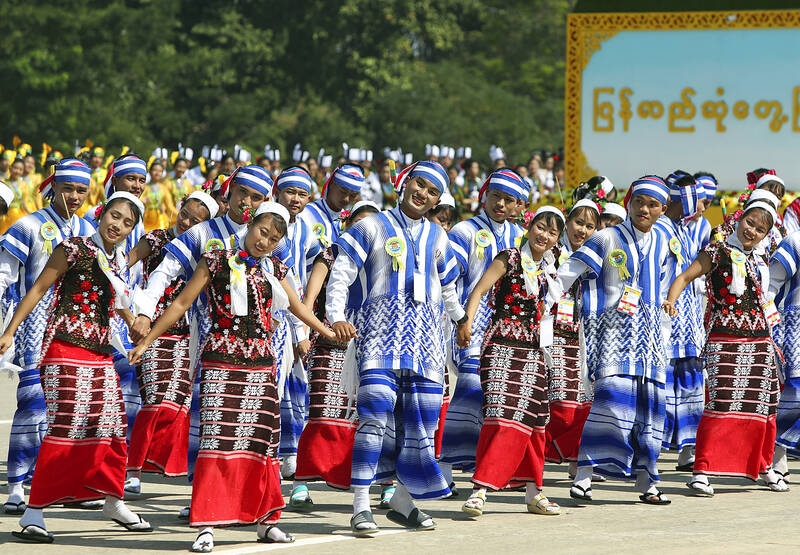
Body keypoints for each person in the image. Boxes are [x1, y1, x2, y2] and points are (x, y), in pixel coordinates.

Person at [128, 202, 336, 552]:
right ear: (249, 225)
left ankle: (267, 520)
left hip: (262, 365)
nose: (264, 241)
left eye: (273, 239)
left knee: (263, 443)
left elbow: (298, 307)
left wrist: (326, 332)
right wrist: (147, 340)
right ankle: (207, 525)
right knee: (216, 442)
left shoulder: (277, 268)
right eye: (262, 232)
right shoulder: (215, 260)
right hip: (220, 363)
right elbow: (180, 304)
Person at [0, 192, 152, 543]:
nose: (118, 225)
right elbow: (38, 289)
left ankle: (113, 500)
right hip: (64, 349)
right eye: (114, 216)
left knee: (113, 427)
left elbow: (119, 302)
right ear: (102, 214)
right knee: (65, 428)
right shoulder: (72, 247)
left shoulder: (115, 262)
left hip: (99, 354)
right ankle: (34, 512)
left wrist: (133, 323)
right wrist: (9, 331)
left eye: (127, 223)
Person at [326, 160, 466, 536]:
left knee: (418, 425)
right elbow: (342, 270)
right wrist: (335, 314)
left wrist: (461, 319)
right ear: (405, 183)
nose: (423, 194)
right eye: (419, 185)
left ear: (437, 200)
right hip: (379, 339)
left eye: (432, 191)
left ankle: (402, 500)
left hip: (426, 345)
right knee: (373, 417)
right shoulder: (371, 225)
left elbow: (449, 284)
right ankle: (360, 505)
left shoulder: (438, 236)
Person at [554, 175, 672, 505]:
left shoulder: (662, 241)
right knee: (608, 400)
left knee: (650, 409)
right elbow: (569, 270)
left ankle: (649, 482)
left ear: (662, 209)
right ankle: (584, 477)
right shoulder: (607, 237)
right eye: (638, 202)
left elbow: (660, 288)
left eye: (652, 205)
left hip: (649, 341)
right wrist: (544, 300)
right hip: (611, 335)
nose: (644, 209)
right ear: (629, 203)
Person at [665, 201, 784, 495]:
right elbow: (684, 277)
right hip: (724, 339)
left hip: (760, 340)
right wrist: (671, 300)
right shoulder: (717, 252)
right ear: (739, 219)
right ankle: (702, 470)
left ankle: (763, 466)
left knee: (765, 406)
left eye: (760, 229)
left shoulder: (761, 260)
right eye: (750, 223)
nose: (752, 231)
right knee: (720, 402)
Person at [0, 162, 95, 516]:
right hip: (31, 330)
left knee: (68, 409)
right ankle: (16, 487)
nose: (74, 196)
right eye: (68, 188)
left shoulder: (88, 230)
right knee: (32, 405)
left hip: (74, 333)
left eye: (81, 191)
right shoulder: (28, 225)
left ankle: (58, 482)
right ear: (54, 187)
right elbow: (4, 275)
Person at [458, 206, 564, 517]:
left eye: (552, 232)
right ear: (530, 226)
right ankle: (480, 490)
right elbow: (478, 291)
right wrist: (466, 323)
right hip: (502, 344)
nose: (544, 235)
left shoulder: (551, 270)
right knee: (500, 413)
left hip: (534, 350)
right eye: (541, 227)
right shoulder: (509, 257)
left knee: (534, 419)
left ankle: (534, 493)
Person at [439, 169, 527, 494]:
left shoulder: (521, 237)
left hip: (509, 333)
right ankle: (446, 468)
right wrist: (462, 318)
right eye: (496, 197)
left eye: (509, 200)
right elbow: (447, 277)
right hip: (470, 326)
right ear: (484, 196)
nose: (501, 204)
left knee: (502, 400)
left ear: (518, 204)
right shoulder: (465, 231)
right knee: (469, 393)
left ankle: (495, 470)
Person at [123, 192, 218, 494]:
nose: (186, 222)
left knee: (178, 400)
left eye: (195, 220)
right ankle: (132, 469)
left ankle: (163, 462)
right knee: (153, 398)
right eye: (185, 214)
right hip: (150, 327)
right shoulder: (156, 238)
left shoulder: (207, 248)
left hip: (186, 332)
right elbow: (126, 262)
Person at [293, 201, 381, 506]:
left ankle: (371, 483)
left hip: (369, 345)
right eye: (359, 223)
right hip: (329, 342)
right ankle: (302, 484)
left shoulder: (381, 255)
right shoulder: (330, 254)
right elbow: (309, 298)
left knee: (368, 416)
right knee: (320, 412)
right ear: (347, 224)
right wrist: (304, 334)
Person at [270, 166, 321, 487]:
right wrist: (300, 330)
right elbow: (285, 278)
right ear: (277, 192)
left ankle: (291, 456)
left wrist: (303, 327)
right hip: (274, 317)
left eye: (303, 194)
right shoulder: (265, 224)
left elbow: (314, 265)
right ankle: (270, 455)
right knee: (273, 388)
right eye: (291, 192)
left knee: (295, 389)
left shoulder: (306, 228)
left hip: (296, 315)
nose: (296, 199)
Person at [545, 199, 600, 478]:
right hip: (550, 331)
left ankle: (577, 461)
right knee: (559, 403)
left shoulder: (596, 255)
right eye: (579, 223)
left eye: (590, 226)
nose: (583, 230)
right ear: (567, 222)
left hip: (580, 337)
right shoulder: (552, 251)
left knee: (582, 404)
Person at [653, 173, 704, 471]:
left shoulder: (682, 229)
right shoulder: (659, 229)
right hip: (665, 322)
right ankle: (653, 451)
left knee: (689, 387)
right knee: (662, 386)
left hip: (687, 323)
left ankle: (688, 449)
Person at [769, 230, 800, 482]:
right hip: (794, 327)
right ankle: (777, 453)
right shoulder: (795, 241)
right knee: (795, 394)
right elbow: (771, 284)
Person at [297, 164, 363, 250]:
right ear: (332, 184)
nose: (346, 199)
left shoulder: (349, 221)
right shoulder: (306, 213)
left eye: (352, 195)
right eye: (343, 192)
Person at [142, 160, 176, 231]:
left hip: (161, 220)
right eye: (155, 170)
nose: (157, 173)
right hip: (146, 220)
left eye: (160, 171)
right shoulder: (144, 187)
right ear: (150, 171)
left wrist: (179, 215)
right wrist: (143, 200)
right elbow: (138, 199)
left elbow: (170, 206)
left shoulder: (164, 188)